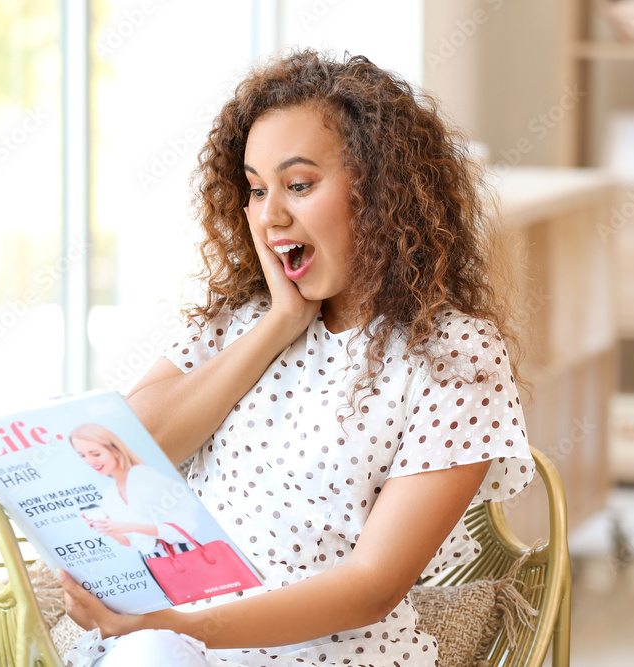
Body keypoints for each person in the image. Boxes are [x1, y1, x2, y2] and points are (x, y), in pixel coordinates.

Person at [58, 48, 535, 667]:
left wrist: (180, 625)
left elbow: (372, 586)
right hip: (166, 641)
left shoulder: (454, 356)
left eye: (299, 184)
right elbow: (129, 448)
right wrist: (279, 325)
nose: (270, 215)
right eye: (255, 190)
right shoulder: (244, 319)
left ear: (382, 191)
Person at [69, 422, 202, 556]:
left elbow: (187, 529)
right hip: (158, 566)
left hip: (189, 557)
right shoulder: (110, 495)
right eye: (83, 456)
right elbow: (134, 546)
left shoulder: (143, 476)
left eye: (96, 454)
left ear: (115, 450)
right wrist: (109, 530)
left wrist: (131, 526)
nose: (90, 462)